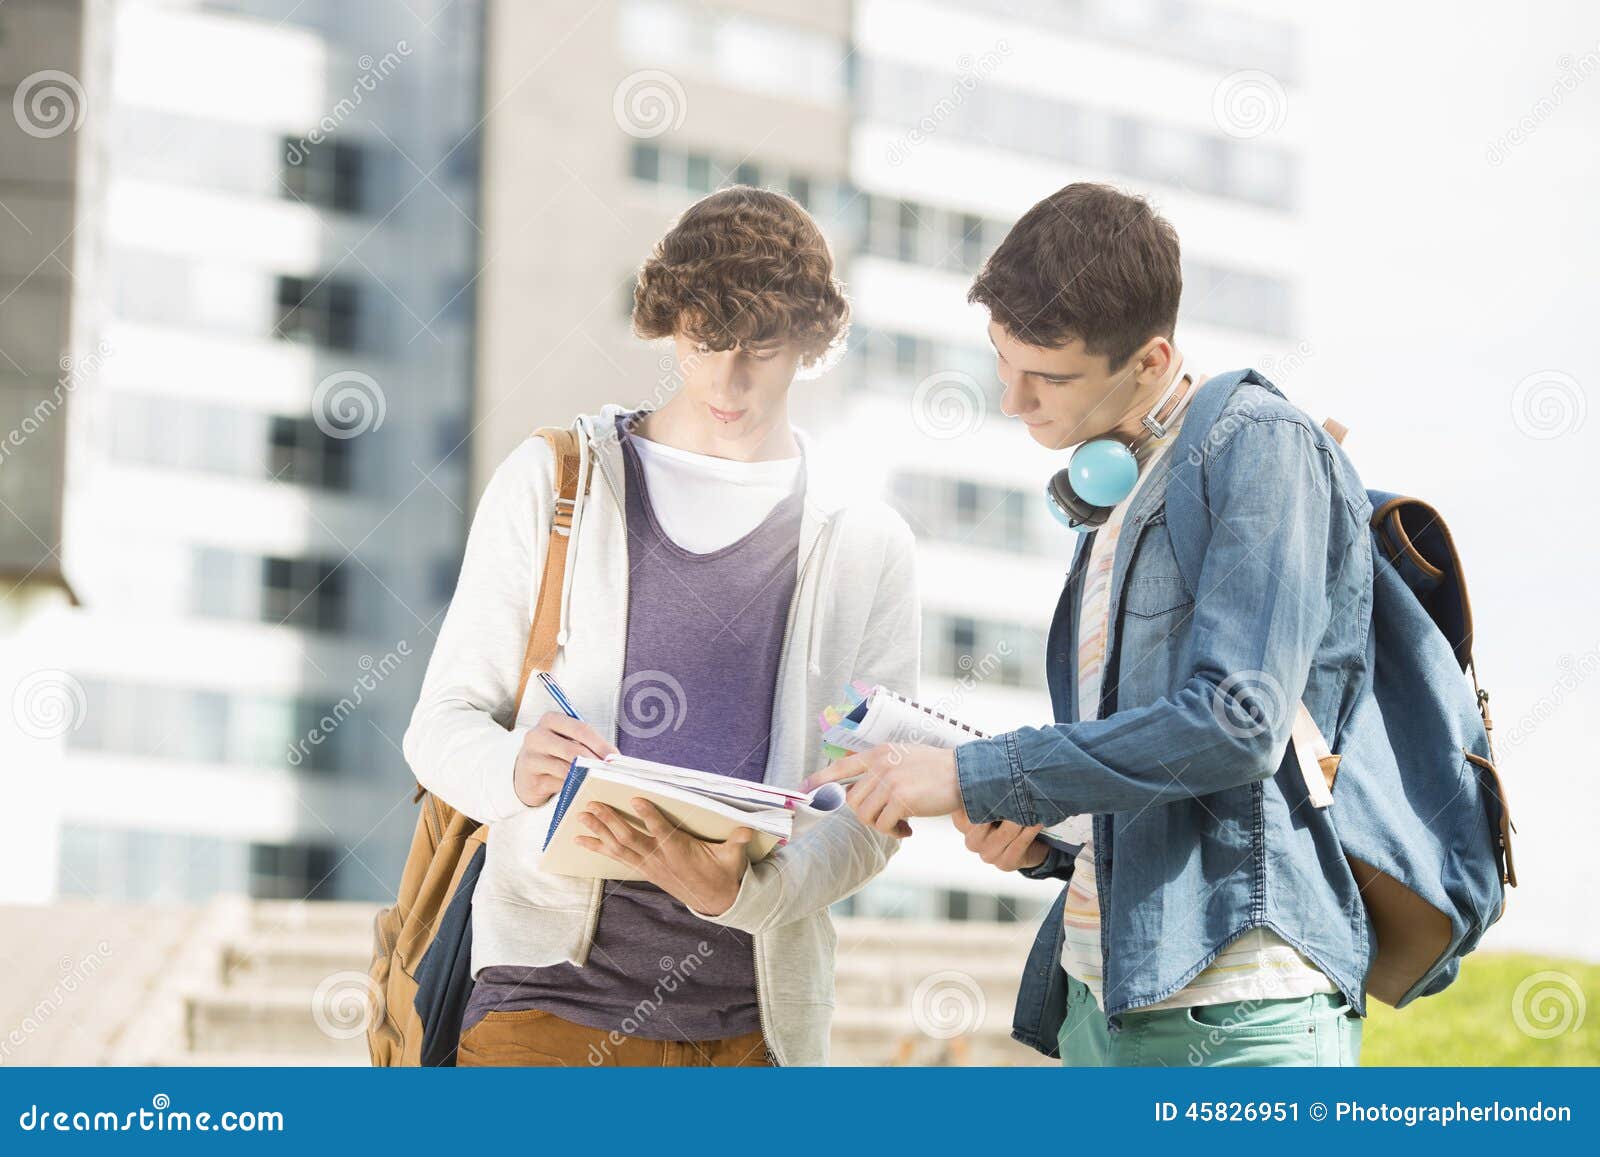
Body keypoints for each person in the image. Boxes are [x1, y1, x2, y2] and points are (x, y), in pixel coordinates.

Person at [809, 182, 1372, 1067]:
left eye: (1049, 376)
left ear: (1151, 361)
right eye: (1004, 362)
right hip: (1096, 998)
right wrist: (1039, 834)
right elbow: (1147, 767)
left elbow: (1239, 721)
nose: (1013, 399)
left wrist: (973, 771)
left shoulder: (1262, 445)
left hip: (1234, 1012)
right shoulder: (1115, 488)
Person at [403, 186, 919, 1067]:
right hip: (546, 1013)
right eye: (704, 342)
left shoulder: (867, 543)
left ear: (807, 342)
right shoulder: (556, 483)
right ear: (670, 323)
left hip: (757, 1038)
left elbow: (869, 807)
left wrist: (739, 894)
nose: (727, 379)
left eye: (760, 349)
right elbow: (439, 725)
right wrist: (514, 765)